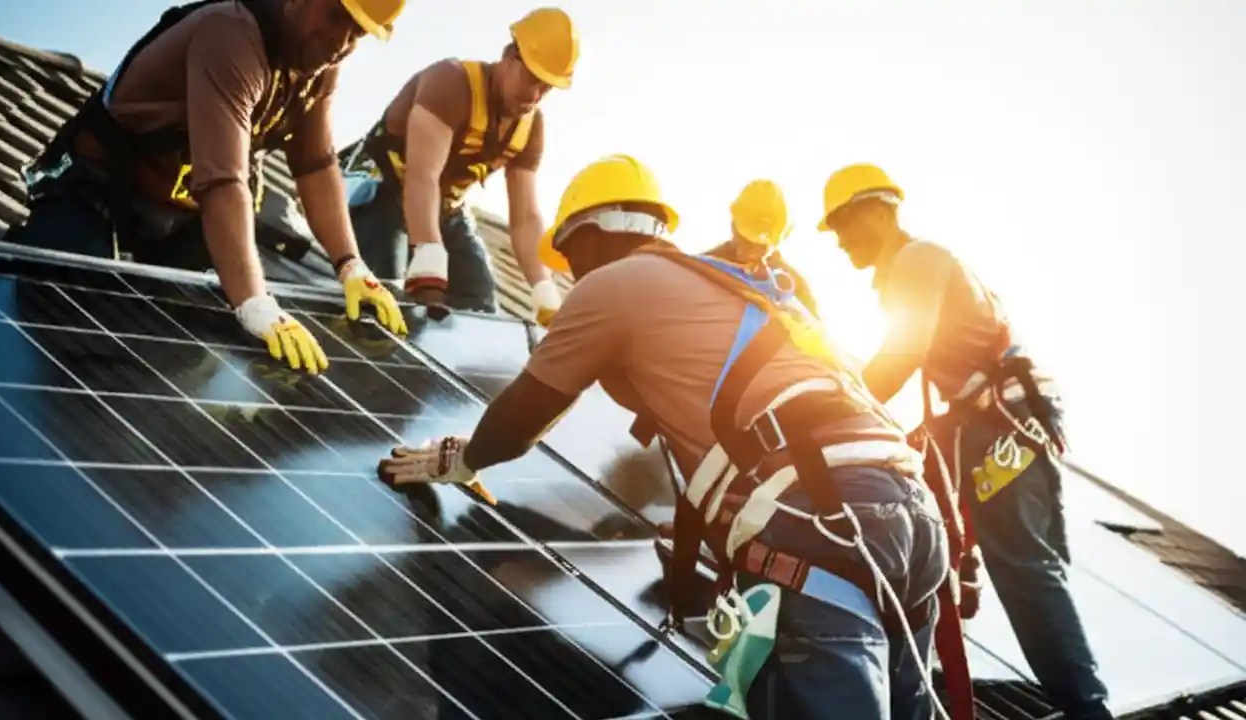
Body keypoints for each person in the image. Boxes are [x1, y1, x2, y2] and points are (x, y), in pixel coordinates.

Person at [379, 154, 950, 719]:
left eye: (571, 255)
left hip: (822, 521)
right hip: (910, 517)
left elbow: (522, 417)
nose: (570, 275)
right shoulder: (735, 290)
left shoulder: (616, 284)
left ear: (596, 233)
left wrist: (460, 458)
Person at [818, 162, 1113, 719]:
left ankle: (1087, 713)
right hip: (1002, 420)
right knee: (1030, 569)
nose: (839, 242)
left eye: (844, 225)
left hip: (1001, 423)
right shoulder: (916, 267)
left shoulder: (916, 260)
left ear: (880, 211)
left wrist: (838, 409)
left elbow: (904, 350)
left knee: (1026, 572)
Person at [9, 0, 408, 375]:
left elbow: (316, 164)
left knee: (204, 342)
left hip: (179, 222)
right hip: (95, 196)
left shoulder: (316, 69)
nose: (340, 43)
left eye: (357, 33)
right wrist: (255, 303)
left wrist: (351, 266)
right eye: (336, 16)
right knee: (68, 321)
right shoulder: (231, 34)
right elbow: (223, 180)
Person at [344, 7, 577, 324]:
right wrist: (428, 261)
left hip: (447, 210)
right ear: (510, 57)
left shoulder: (530, 128)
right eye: (532, 79)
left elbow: (525, 217)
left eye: (547, 86)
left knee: (478, 308)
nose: (535, 94)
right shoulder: (451, 83)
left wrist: (543, 288)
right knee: (383, 294)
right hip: (384, 192)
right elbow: (421, 176)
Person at [705, 179, 820, 318]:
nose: (747, 252)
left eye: (760, 247)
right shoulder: (702, 269)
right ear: (733, 225)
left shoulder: (794, 287)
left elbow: (816, 335)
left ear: (777, 242)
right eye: (743, 239)